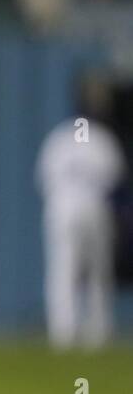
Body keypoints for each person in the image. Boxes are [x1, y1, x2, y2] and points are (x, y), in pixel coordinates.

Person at [37, 109, 126, 349]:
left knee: (63, 270)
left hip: (62, 209)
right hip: (94, 207)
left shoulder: (59, 140)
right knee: (97, 271)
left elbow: (43, 179)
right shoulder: (100, 139)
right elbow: (116, 178)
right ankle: (98, 331)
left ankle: (64, 332)